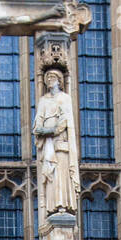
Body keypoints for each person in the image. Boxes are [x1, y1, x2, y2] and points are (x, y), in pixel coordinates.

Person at [33, 68, 80, 216]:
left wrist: (49, 131)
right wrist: (41, 130)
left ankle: (63, 205)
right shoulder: (43, 100)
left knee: (60, 175)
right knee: (52, 177)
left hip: (60, 143)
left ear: (59, 80)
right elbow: (37, 124)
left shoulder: (65, 98)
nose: (49, 80)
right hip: (48, 144)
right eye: (47, 77)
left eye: (53, 77)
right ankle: (52, 207)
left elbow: (64, 121)